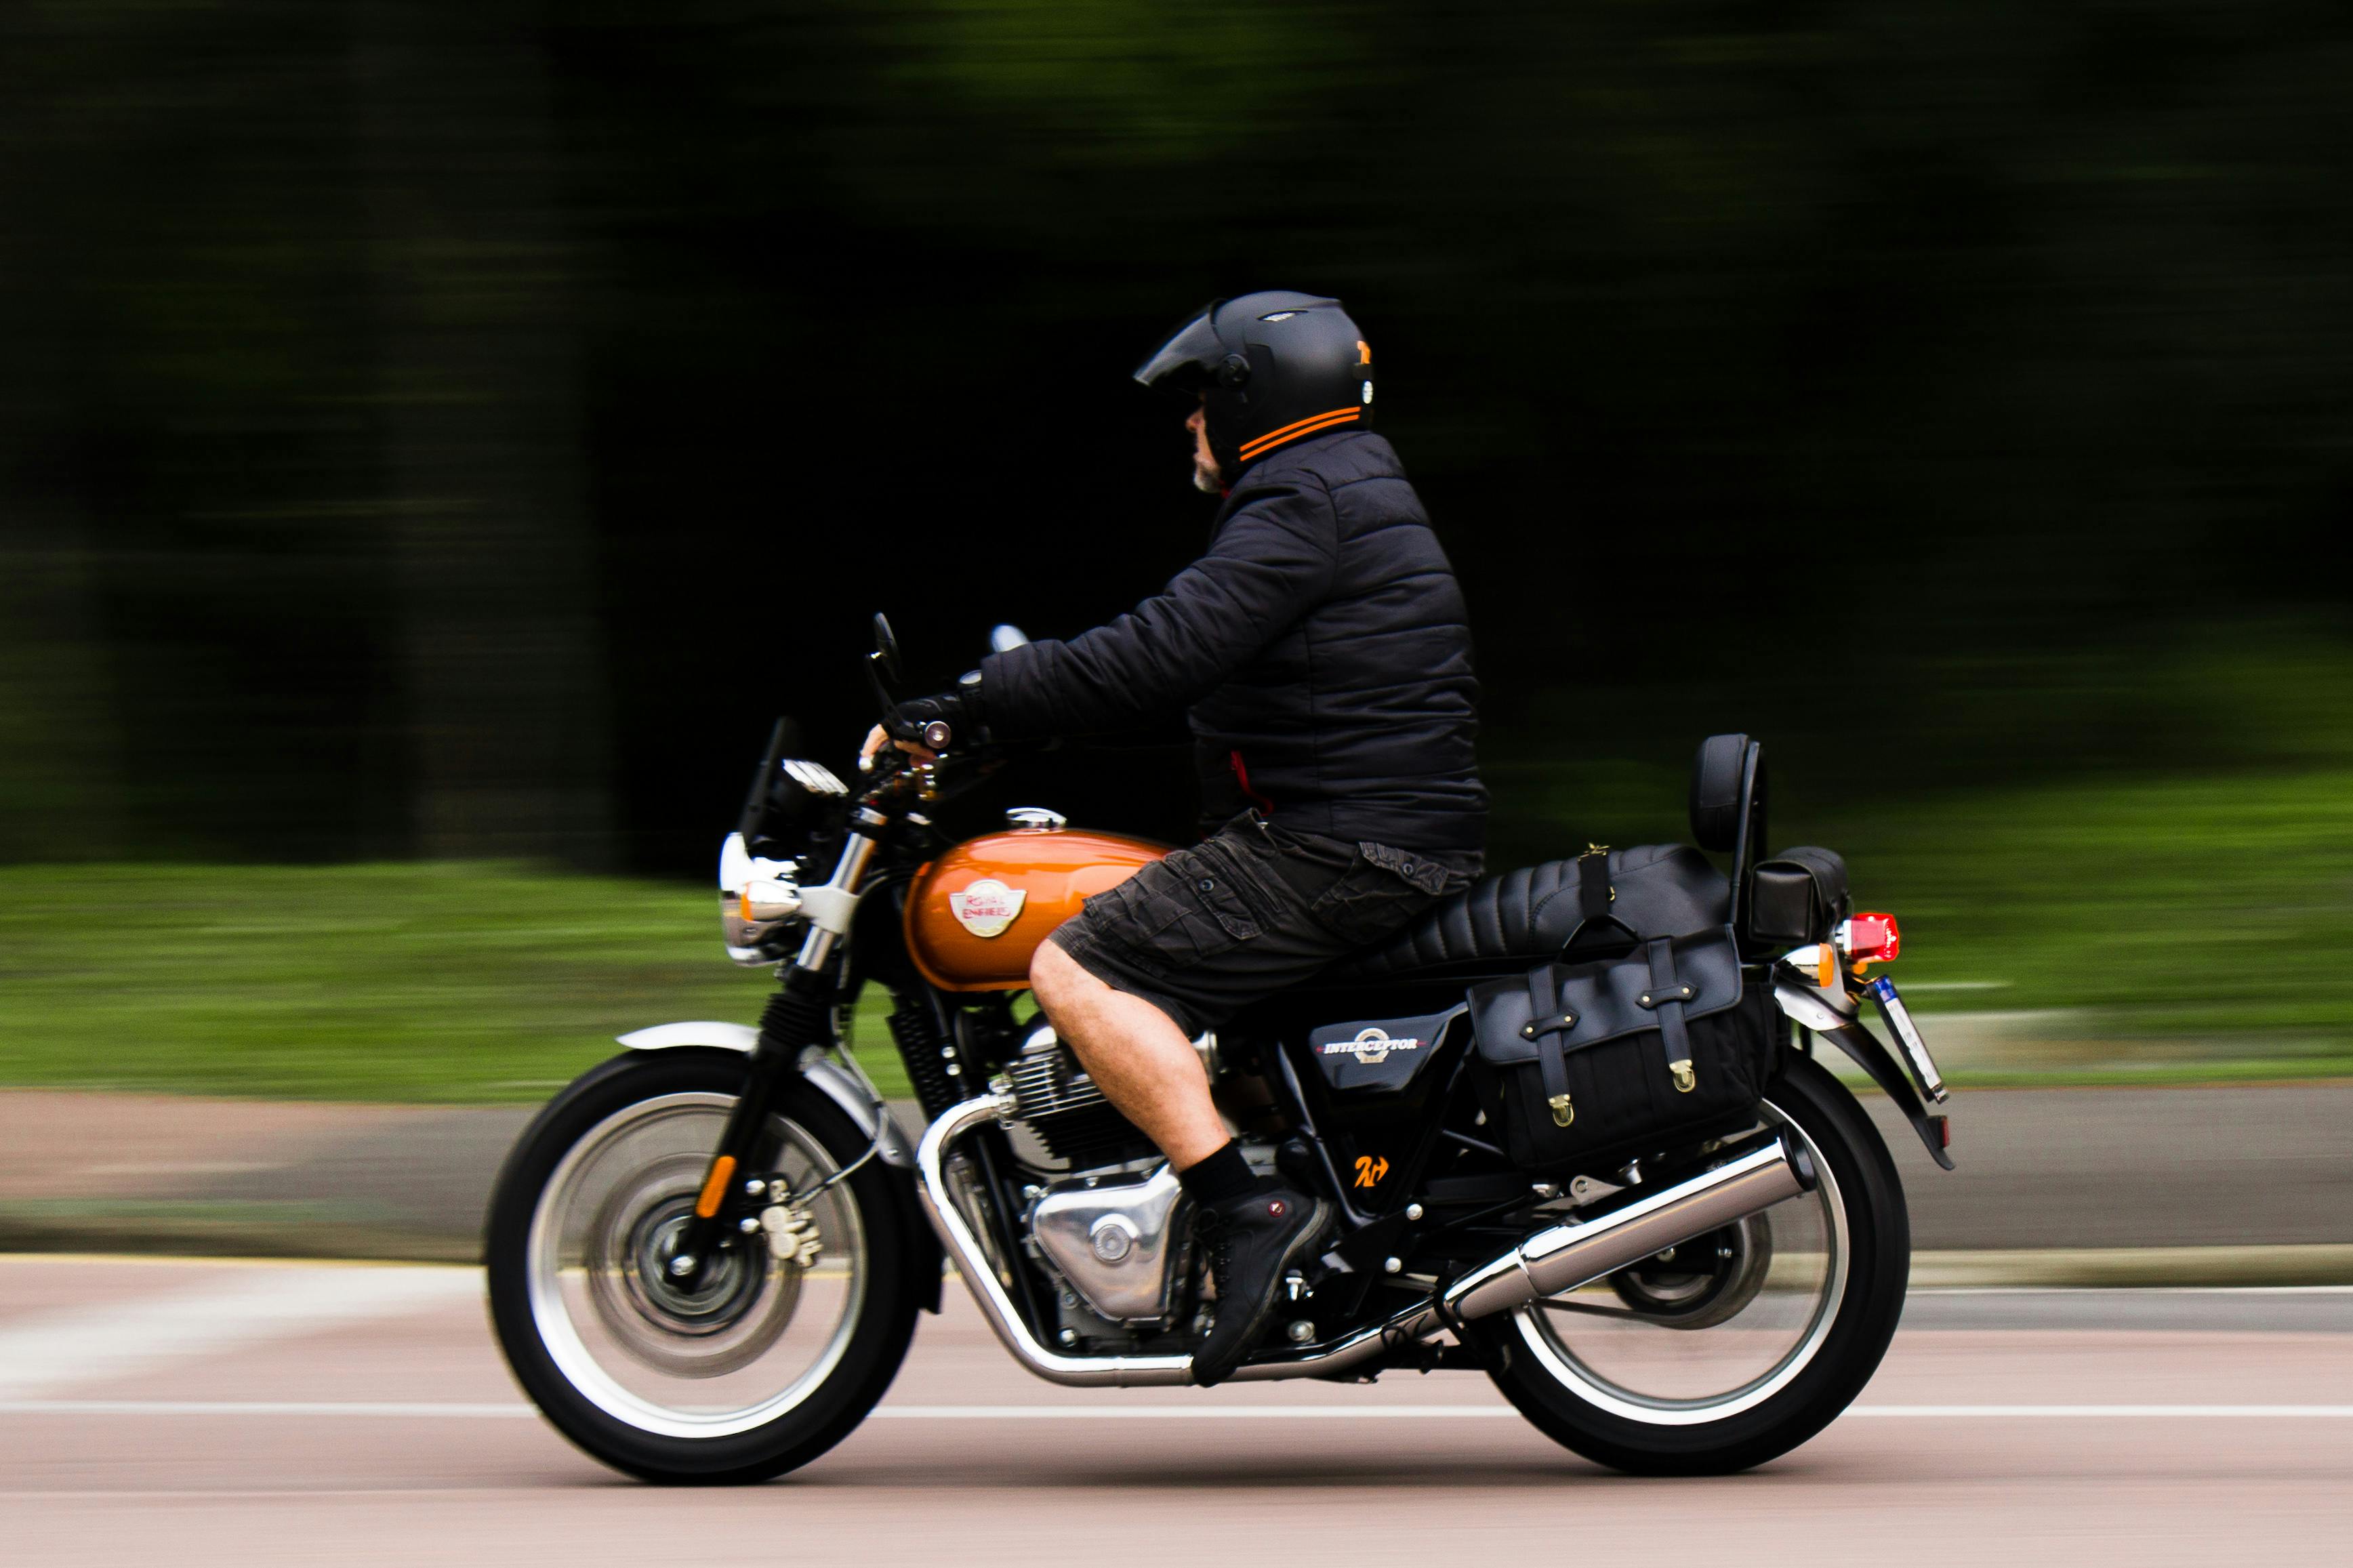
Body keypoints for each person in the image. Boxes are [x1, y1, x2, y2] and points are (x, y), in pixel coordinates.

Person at [863, 291, 1486, 1384]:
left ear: (1257, 399)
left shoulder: (1300, 500)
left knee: (1077, 962)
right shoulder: (1348, 487)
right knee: (1214, 1028)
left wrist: (978, 704)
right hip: (1372, 831)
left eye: (1202, 402)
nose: (1189, 424)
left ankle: (1247, 1214)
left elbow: (1160, 652)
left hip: (1338, 848)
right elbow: (1186, 661)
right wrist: (1022, 704)